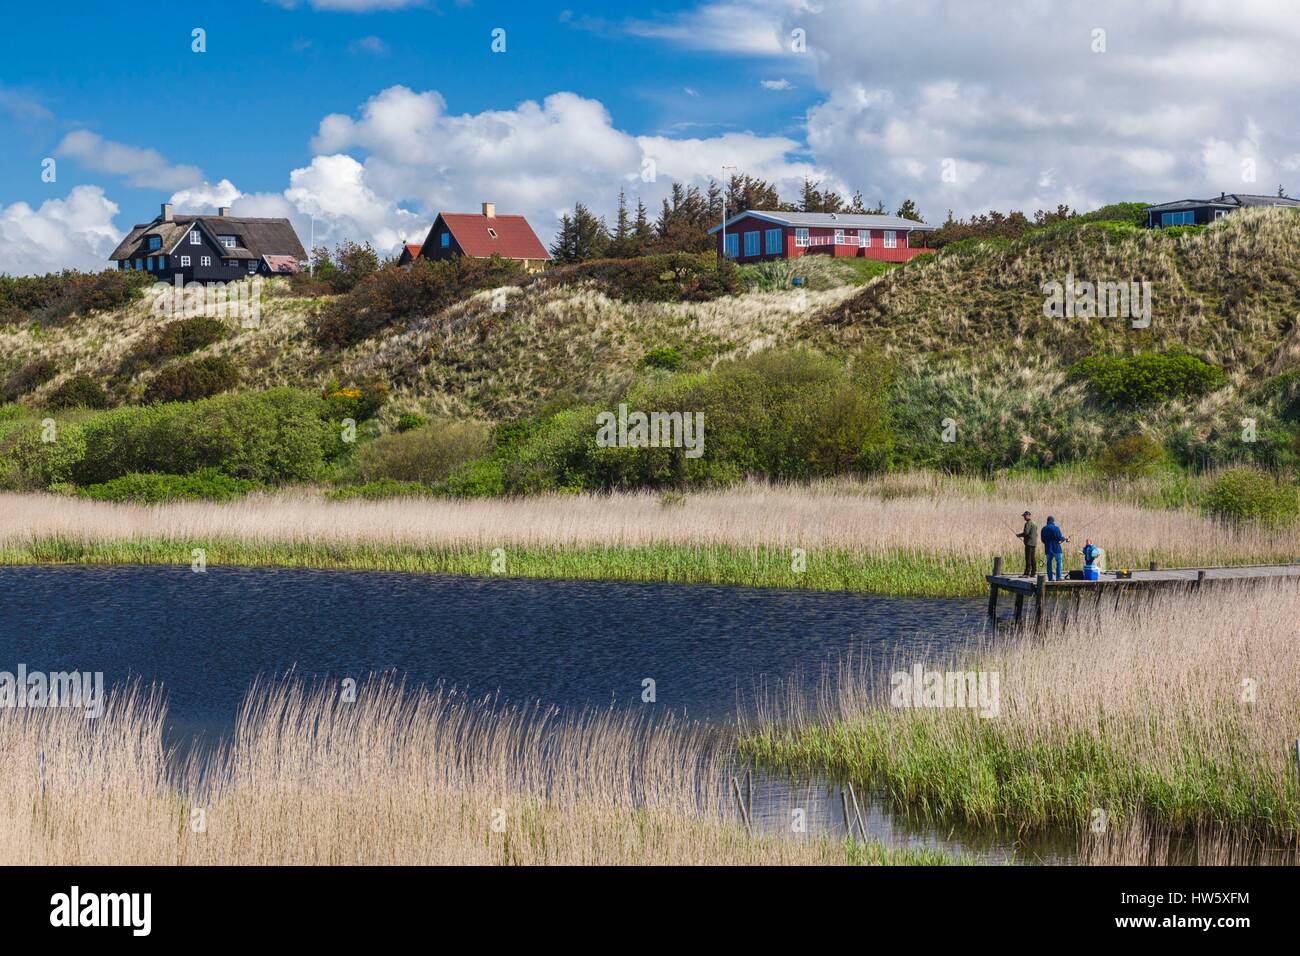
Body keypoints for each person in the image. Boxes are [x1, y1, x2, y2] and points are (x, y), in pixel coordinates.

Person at [1040, 516, 1069, 581]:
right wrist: (1064, 539)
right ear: (1053, 521)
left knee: (1049, 563)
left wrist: (1047, 543)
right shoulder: (1056, 528)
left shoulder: (1043, 529)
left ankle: (1050, 578)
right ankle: (1058, 577)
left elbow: (1042, 540)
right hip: (1056, 548)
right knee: (1059, 562)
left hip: (1048, 549)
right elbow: (1059, 537)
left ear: (1047, 521)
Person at [1015, 511, 1037, 577]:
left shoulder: (1028, 523)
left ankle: (1026, 573)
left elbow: (1026, 533)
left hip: (1029, 544)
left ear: (1028, 516)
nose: (1024, 517)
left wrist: (1019, 535)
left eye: (1024, 516)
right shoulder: (1034, 523)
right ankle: (1033, 572)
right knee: (1032, 558)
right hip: (1034, 543)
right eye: (1024, 516)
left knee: (1028, 558)